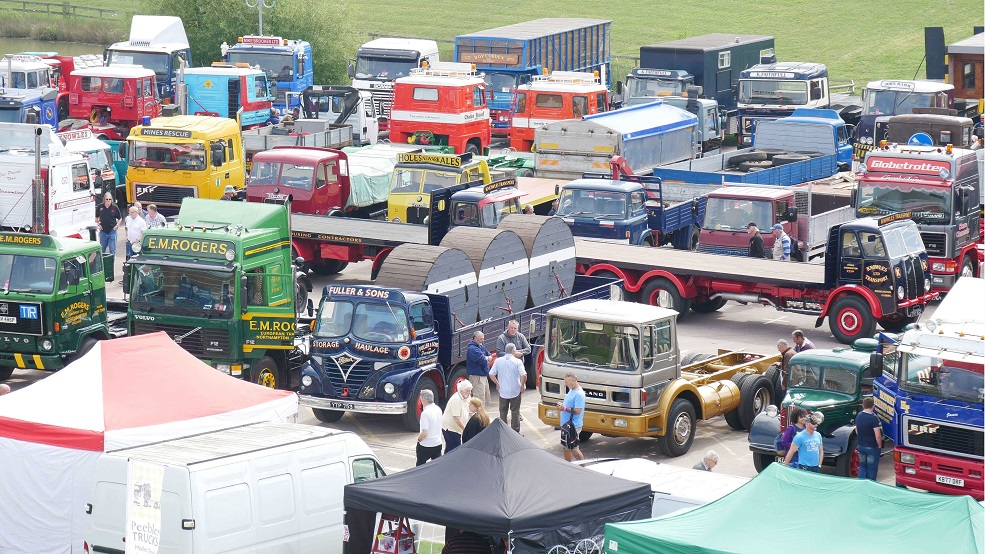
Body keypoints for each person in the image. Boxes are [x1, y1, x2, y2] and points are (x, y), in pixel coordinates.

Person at [488, 343, 526, 432]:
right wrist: (522, 384)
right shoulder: (517, 361)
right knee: (515, 412)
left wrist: (497, 384)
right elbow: (523, 375)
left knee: (503, 412)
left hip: (503, 391)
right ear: (513, 351)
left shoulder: (498, 361)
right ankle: (515, 431)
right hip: (515, 390)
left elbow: (491, 374)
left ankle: (503, 431)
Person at [558, 372, 586, 461]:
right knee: (566, 447)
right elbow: (569, 404)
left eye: (567, 382)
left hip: (573, 426)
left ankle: (583, 468)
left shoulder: (579, 394)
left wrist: (564, 408)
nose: (565, 384)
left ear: (573, 381)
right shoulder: (572, 390)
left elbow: (578, 411)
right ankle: (568, 467)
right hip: (566, 425)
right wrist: (562, 405)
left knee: (573, 448)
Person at [855, 397, 883, 480]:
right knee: (872, 468)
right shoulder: (873, 418)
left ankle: (861, 483)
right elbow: (877, 435)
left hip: (861, 445)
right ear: (873, 406)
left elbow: (857, 430)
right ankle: (871, 485)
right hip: (872, 446)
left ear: (863, 406)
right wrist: (879, 445)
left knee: (862, 465)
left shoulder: (859, 415)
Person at [441, 380, 472, 453]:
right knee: (455, 450)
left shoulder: (468, 397)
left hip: (457, 429)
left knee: (449, 450)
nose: (470, 393)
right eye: (468, 391)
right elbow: (456, 418)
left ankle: (445, 463)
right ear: (461, 391)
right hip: (451, 429)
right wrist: (465, 430)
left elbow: (471, 412)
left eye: (470, 390)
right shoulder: (456, 399)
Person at [416, 389, 443, 466]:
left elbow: (424, 433)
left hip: (426, 445)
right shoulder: (438, 409)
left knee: (420, 466)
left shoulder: (425, 413)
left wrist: (419, 440)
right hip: (437, 443)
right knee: (436, 466)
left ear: (422, 400)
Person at [467, 331, 493, 404]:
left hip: (482, 376)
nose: (483, 340)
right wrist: (487, 358)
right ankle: (478, 415)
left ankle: (482, 413)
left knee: (484, 396)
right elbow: (483, 360)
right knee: (479, 399)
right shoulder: (473, 349)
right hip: (477, 377)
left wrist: (486, 357)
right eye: (481, 339)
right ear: (475, 339)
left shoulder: (480, 346)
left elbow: (489, 354)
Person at [96, 193, 122, 258]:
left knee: (112, 249)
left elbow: (120, 218)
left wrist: (117, 226)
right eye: (107, 199)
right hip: (103, 231)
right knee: (102, 249)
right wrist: (99, 224)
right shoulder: (100, 207)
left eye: (109, 199)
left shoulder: (114, 207)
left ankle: (112, 263)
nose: (108, 200)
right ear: (104, 199)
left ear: (112, 200)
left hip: (112, 231)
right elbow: (96, 217)